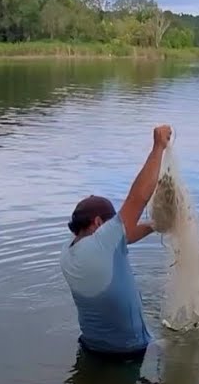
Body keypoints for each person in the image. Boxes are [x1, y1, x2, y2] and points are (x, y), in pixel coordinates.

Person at [60, 124, 172, 360]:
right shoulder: (102, 243)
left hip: (91, 347)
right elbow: (139, 197)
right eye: (111, 224)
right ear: (99, 223)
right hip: (129, 352)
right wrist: (158, 147)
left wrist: (154, 225)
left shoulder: (70, 250)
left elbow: (126, 234)